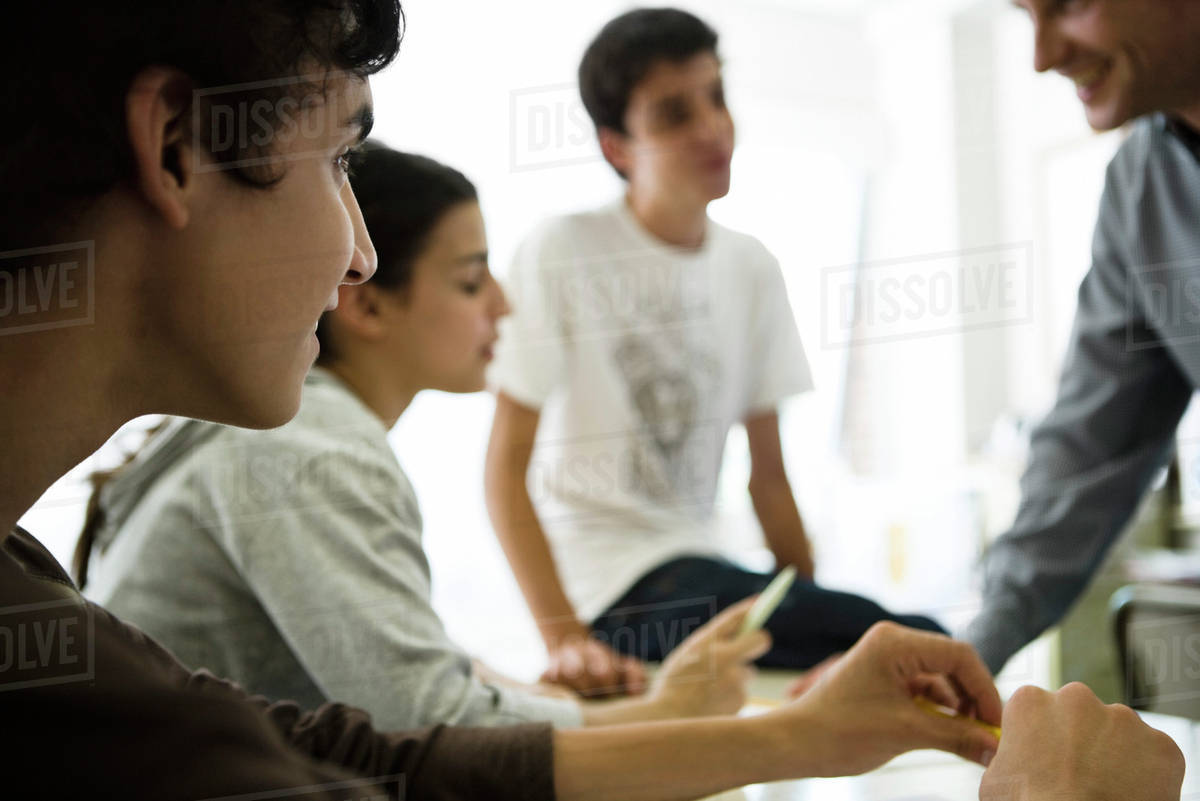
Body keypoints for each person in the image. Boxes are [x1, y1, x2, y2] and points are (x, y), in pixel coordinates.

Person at [0, 1, 1182, 799]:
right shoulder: (313, 453)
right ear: (171, 150)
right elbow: (415, 721)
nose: (354, 253)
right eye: (338, 161)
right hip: (637, 589)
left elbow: (365, 752)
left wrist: (793, 731)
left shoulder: (43, 613)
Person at [76, 144, 767, 731]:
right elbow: (433, 722)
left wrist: (550, 696)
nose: (504, 302)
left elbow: (416, 669)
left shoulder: (301, 431)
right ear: (367, 301)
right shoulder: (309, 449)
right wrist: (660, 712)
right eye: (471, 280)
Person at [485, 6, 941, 698]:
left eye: (717, 98)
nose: (711, 128)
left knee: (903, 642)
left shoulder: (750, 267)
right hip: (613, 588)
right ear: (617, 146)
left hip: (701, 575)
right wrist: (566, 641)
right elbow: (504, 468)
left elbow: (769, 480)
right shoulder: (563, 249)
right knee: (918, 639)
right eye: (673, 114)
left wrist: (811, 619)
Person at [962, 0, 1200, 674]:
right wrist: (975, 644)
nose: (1041, 56)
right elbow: (1090, 447)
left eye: (1068, 4)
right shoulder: (1140, 189)